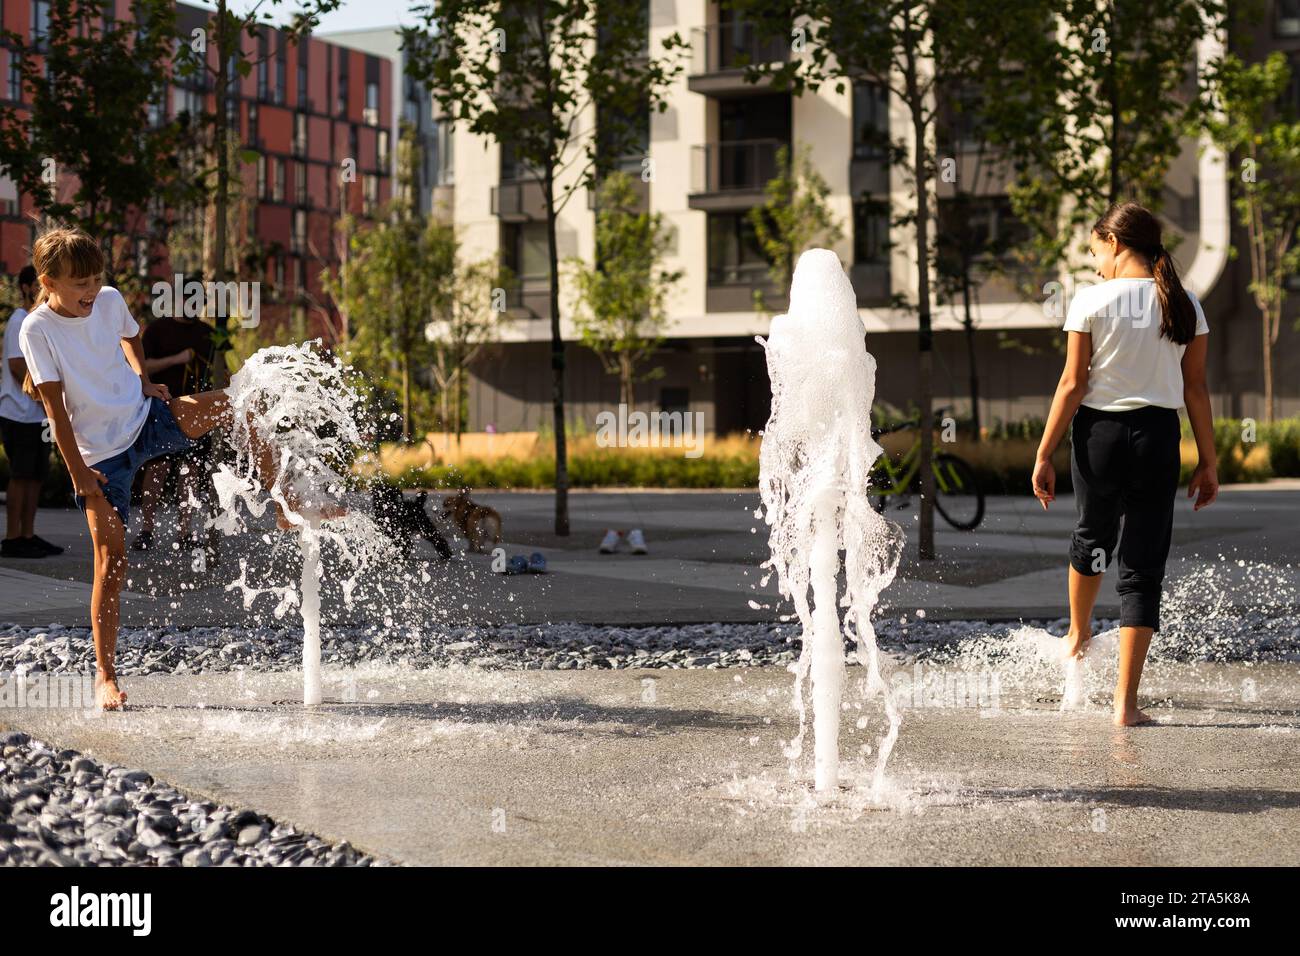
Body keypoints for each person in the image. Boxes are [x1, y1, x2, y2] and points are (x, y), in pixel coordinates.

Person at [19, 227, 343, 710]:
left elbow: (131, 336)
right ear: (48, 281)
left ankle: (284, 501)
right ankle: (105, 677)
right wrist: (81, 478)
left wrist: (143, 381)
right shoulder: (36, 330)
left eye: (95, 278)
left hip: (146, 417)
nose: (90, 290)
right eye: (79, 282)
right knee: (111, 563)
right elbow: (57, 415)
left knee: (242, 404)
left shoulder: (107, 300)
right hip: (101, 459)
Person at [1032, 201, 1219, 727]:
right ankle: (1126, 705)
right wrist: (1209, 462)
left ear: (1114, 243)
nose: (1095, 265)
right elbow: (1196, 388)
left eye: (1096, 251)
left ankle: (1078, 632)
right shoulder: (1182, 302)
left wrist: (1044, 452)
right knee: (1142, 564)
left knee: (1093, 536)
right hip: (1158, 438)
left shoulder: (1091, 299)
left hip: (1099, 436)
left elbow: (1072, 384)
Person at [132, 298, 218, 554]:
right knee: (158, 467)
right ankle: (147, 530)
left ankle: (186, 531)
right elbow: (142, 367)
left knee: (191, 469)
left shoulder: (207, 333)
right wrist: (176, 359)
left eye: (200, 301)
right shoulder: (158, 329)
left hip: (197, 413)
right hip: (163, 407)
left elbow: (218, 367)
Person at [1, 265, 62, 558]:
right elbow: (16, 366)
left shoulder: (41, 321)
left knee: (37, 475)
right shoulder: (19, 320)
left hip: (38, 415)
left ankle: (28, 533)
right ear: (26, 287)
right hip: (19, 413)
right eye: (37, 286)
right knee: (21, 474)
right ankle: (12, 537)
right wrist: (44, 393)